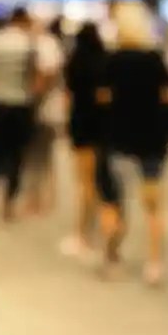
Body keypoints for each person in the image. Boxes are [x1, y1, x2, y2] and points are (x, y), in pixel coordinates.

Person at [98, 1, 168, 285]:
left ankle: (111, 256)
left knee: (114, 200)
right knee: (153, 205)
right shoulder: (155, 60)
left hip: (119, 136)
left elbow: (103, 97)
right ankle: (154, 262)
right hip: (152, 138)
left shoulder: (113, 60)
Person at [0, 8, 53, 221]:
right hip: (21, 104)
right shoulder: (28, 43)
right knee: (16, 154)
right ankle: (8, 204)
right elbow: (35, 76)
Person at [58, 23, 107, 258]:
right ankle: (96, 227)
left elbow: (68, 96)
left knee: (84, 182)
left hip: (81, 124)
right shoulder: (105, 62)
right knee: (97, 181)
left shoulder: (74, 63)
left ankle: (83, 233)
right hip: (101, 126)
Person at [24, 19, 67, 215]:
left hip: (44, 110)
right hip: (50, 110)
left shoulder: (44, 45)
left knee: (38, 156)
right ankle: (46, 197)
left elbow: (47, 75)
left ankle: (39, 198)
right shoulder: (50, 44)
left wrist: (35, 95)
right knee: (44, 156)